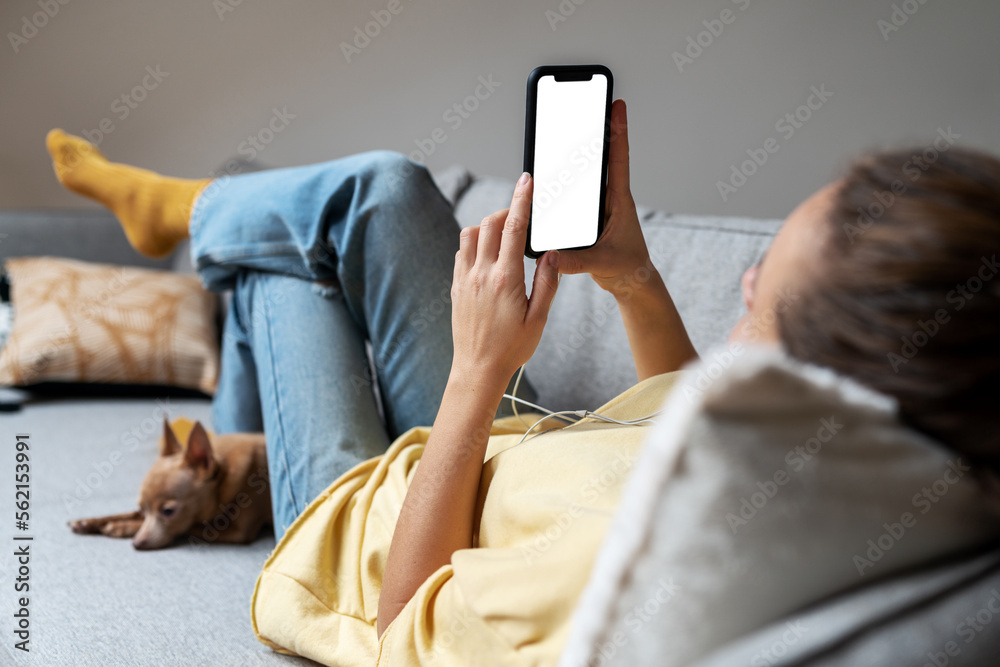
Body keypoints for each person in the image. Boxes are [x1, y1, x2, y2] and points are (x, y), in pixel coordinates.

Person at [45, 99, 1000, 665]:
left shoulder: (637, 571)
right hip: (503, 436)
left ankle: (186, 216)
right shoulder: (801, 452)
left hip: (362, 515)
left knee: (289, 267)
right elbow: (690, 416)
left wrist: (474, 372)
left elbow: (404, 631)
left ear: (812, 386)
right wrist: (633, 273)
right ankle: (206, 234)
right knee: (383, 189)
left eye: (755, 302)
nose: (739, 290)